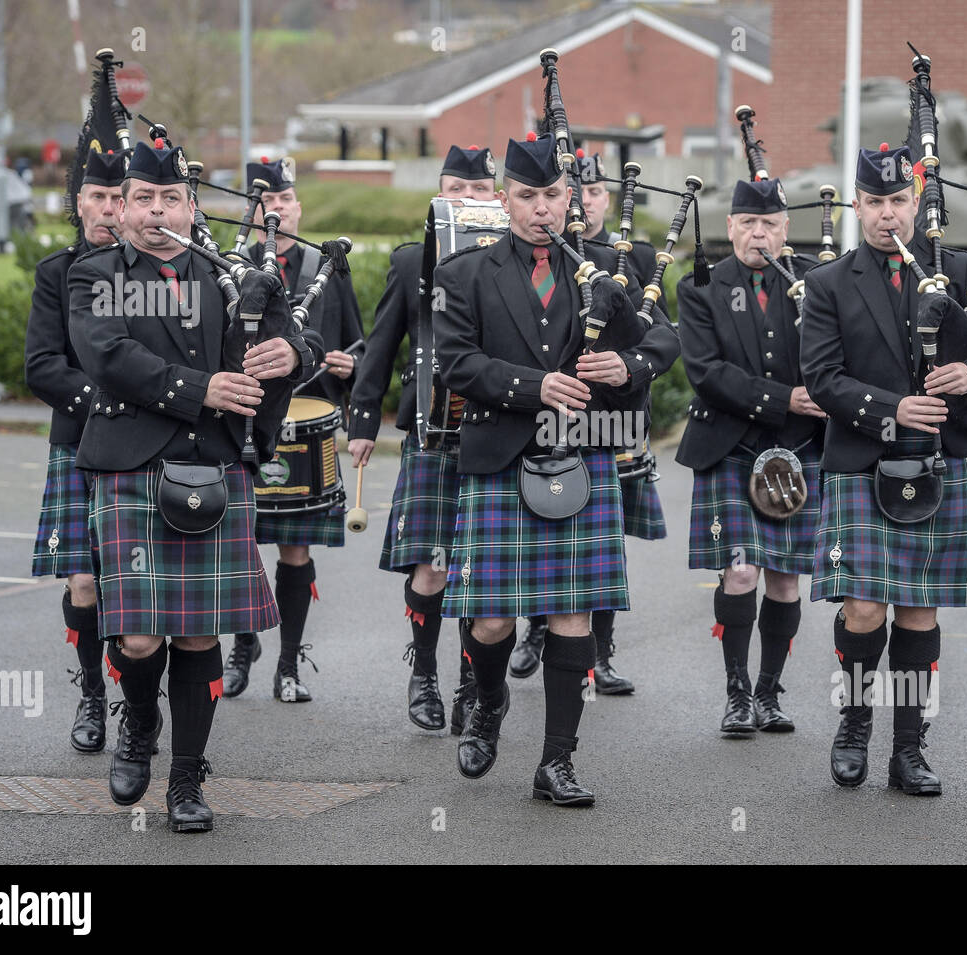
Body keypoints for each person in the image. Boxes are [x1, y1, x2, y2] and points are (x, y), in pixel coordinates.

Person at [67, 140, 317, 831]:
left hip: (214, 470)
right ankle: (140, 724)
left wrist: (291, 353)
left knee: (200, 636)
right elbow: (107, 355)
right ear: (120, 210)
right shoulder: (94, 276)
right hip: (131, 467)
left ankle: (186, 777)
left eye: (169, 198)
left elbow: (305, 346)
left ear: (191, 204)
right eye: (142, 199)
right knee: (142, 638)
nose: (156, 211)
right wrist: (199, 387)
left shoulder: (234, 277)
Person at [800, 143, 967, 795]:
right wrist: (893, 407)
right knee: (865, 609)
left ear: (915, 202)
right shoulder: (826, 286)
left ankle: (909, 750)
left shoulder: (956, 270)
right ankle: (853, 727)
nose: (886, 215)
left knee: (920, 611)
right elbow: (821, 378)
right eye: (874, 202)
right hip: (861, 459)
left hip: (934, 465)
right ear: (856, 206)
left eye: (897, 200)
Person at [433, 132, 648, 805]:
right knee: (492, 621)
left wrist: (628, 366)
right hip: (502, 457)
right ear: (504, 200)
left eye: (554, 195)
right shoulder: (464, 272)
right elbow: (456, 362)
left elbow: (659, 337)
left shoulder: (606, 266)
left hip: (580, 458)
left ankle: (557, 761)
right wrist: (536, 386)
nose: (542, 209)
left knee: (572, 614)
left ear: (570, 198)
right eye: (527, 196)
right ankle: (490, 697)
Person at [510, 151, 680, 694]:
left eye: (594, 191)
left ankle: (599, 654)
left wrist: (629, 366)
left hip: (611, 423)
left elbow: (661, 339)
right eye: (575, 191)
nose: (585, 200)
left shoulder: (629, 260)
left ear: (602, 198)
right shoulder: (523, 258)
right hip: (532, 424)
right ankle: (538, 626)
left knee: (602, 544)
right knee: (538, 530)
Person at [348, 144, 497, 733]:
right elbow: (382, 342)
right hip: (430, 425)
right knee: (432, 567)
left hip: (494, 426)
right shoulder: (415, 260)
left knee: (478, 569)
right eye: (456, 189)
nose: (467, 199)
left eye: (479, 190)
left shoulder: (509, 261)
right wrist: (362, 422)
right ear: (439, 195)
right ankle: (426, 674)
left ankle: (469, 683)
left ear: (497, 199)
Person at [676, 176, 825, 736]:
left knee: (785, 581)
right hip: (733, 448)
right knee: (740, 574)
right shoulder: (703, 288)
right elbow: (707, 373)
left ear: (785, 230)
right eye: (746, 224)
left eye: (769, 224)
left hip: (802, 446)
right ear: (730, 227)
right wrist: (785, 397)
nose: (757, 233)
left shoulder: (814, 283)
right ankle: (736, 694)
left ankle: (769, 693)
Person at [222, 157, 364, 704]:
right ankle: (242, 649)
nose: (274, 210)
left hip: (309, 420)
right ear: (252, 213)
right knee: (240, 545)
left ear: (297, 208)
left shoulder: (324, 265)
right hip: (247, 416)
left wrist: (354, 363)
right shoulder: (231, 267)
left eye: (283, 201)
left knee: (296, 549)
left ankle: (288, 664)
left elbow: (356, 340)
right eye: (264, 203)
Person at [25, 148, 125, 754]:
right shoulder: (55, 274)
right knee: (84, 581)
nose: (108, 209)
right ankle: (93, 694)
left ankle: (141, 700)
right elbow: (41, 367)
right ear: (78, 204)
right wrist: (109, 400)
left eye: (119, 198)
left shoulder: (153, 272)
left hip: (146, 449)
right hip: (80, 441)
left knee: (140, 582)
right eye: (97, 197)